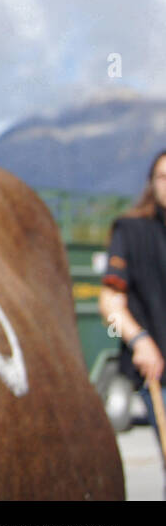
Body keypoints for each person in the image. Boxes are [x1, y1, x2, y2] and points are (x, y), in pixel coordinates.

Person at [100, 150, 166, 473]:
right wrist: (139, 340)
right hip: (158, 372)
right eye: (163, 177)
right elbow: (110, 304)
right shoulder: (131, 231)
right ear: (151, 184)